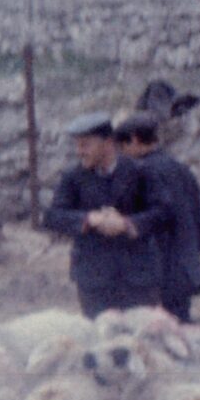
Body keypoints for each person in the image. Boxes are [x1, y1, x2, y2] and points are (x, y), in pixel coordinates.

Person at [41, 111, 158, 317]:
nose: (79, 151)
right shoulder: (73, 177)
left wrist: (127, 223)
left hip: (136, 278)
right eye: (77, 145)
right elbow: (52, 216)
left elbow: (162, 212)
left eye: (85, 144)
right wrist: (88, 219)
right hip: (94, 279)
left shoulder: (140, 172)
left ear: (108, 142)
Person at [119, 111, 200, 324]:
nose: (122, 152)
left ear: (135, 140)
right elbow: (195, 215)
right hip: (183, 268)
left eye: (123, 145)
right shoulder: (181, 168)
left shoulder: (140, 172)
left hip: (154, 270)